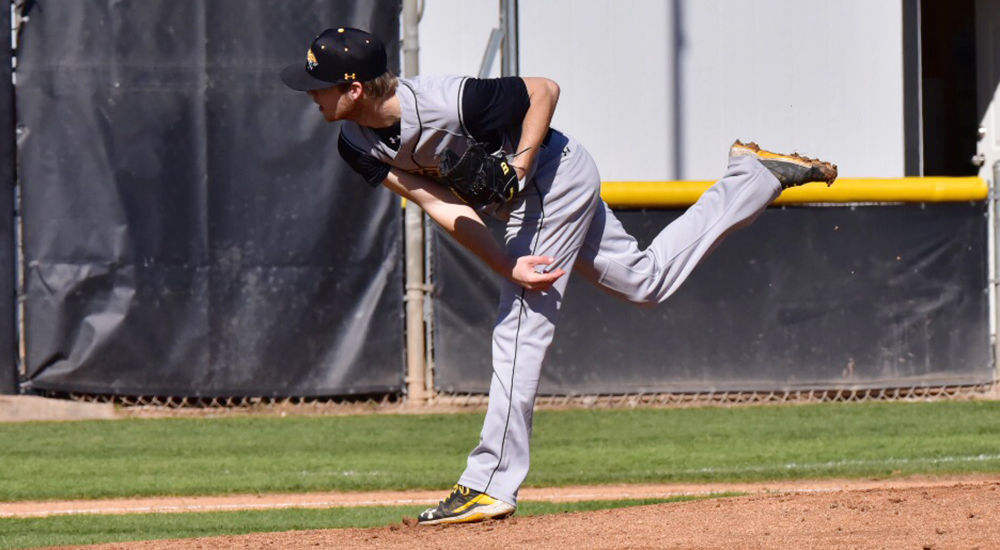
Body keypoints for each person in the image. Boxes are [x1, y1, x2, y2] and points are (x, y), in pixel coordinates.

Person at [280, 27, 837, 525]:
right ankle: (752, 178)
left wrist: (517, 169)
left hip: (551, 177)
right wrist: (505, 262)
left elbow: (543, 88)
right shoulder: (355, 143)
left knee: (520, 327)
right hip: (522, 203)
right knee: (644, 283)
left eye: (319, 83)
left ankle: (487, 484)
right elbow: (438, 203)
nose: (310, 93)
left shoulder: (451, 101)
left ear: (354, 89)